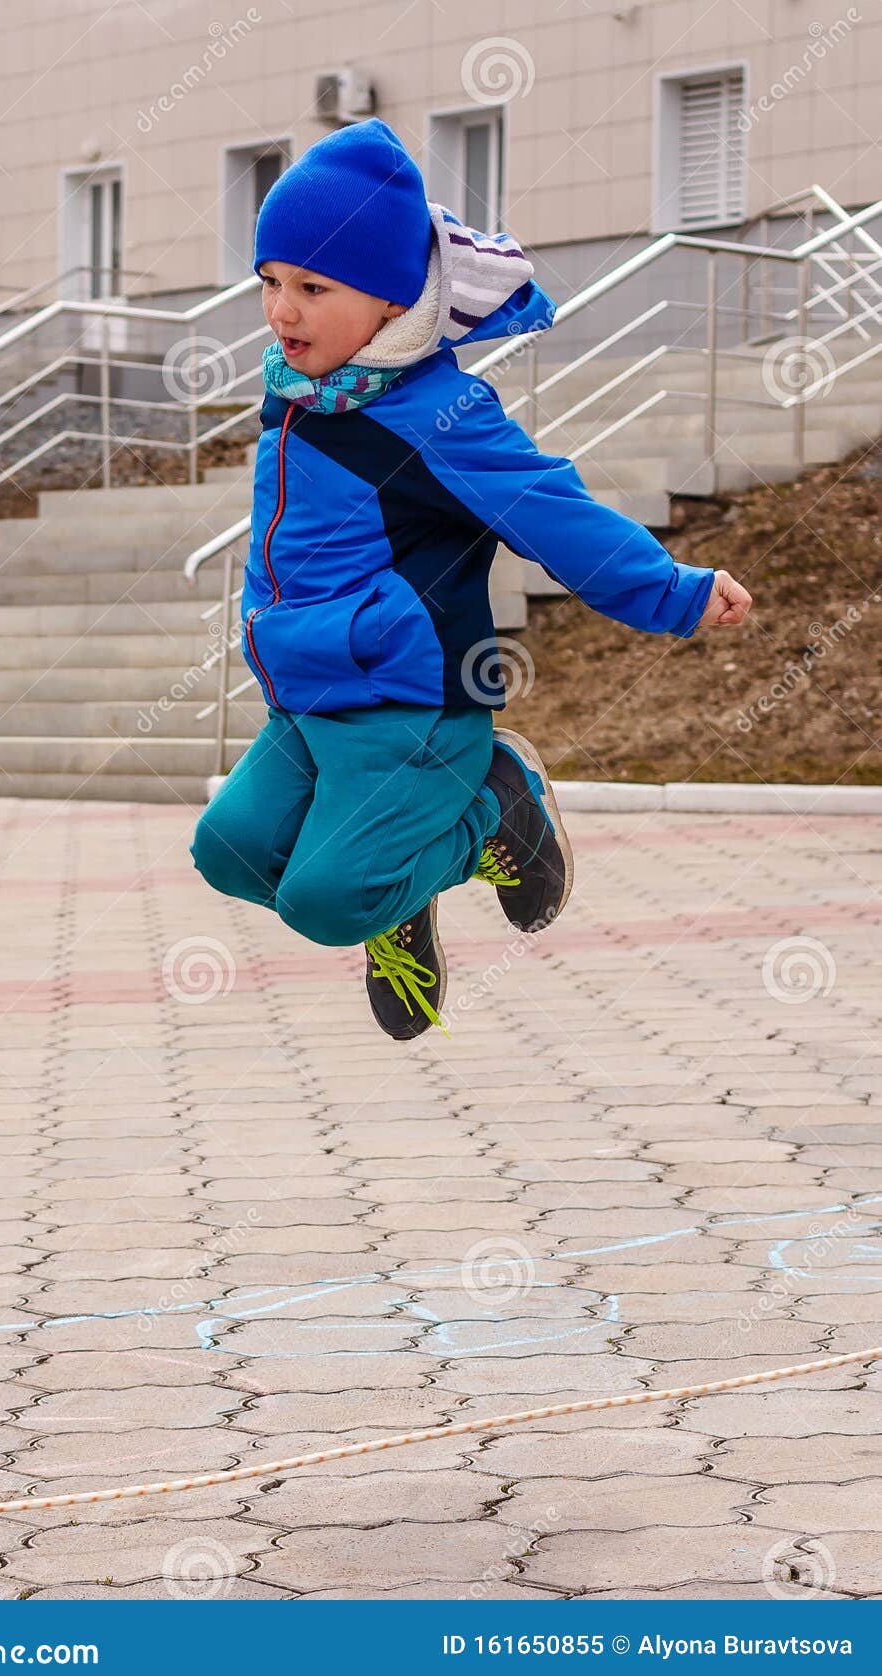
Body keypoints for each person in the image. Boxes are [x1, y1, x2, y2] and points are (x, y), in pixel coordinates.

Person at [189, 118, 752, 1042]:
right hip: (308, 692)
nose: (282, 312)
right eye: (270, 284)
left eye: (312, 288)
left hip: (408, 703)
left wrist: (675, 590)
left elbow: (551, 511)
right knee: (229, 849)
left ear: (389, 299)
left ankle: (494, 809)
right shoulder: (299, 395)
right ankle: (398, 888)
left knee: (326, 902)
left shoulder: (438, 413)